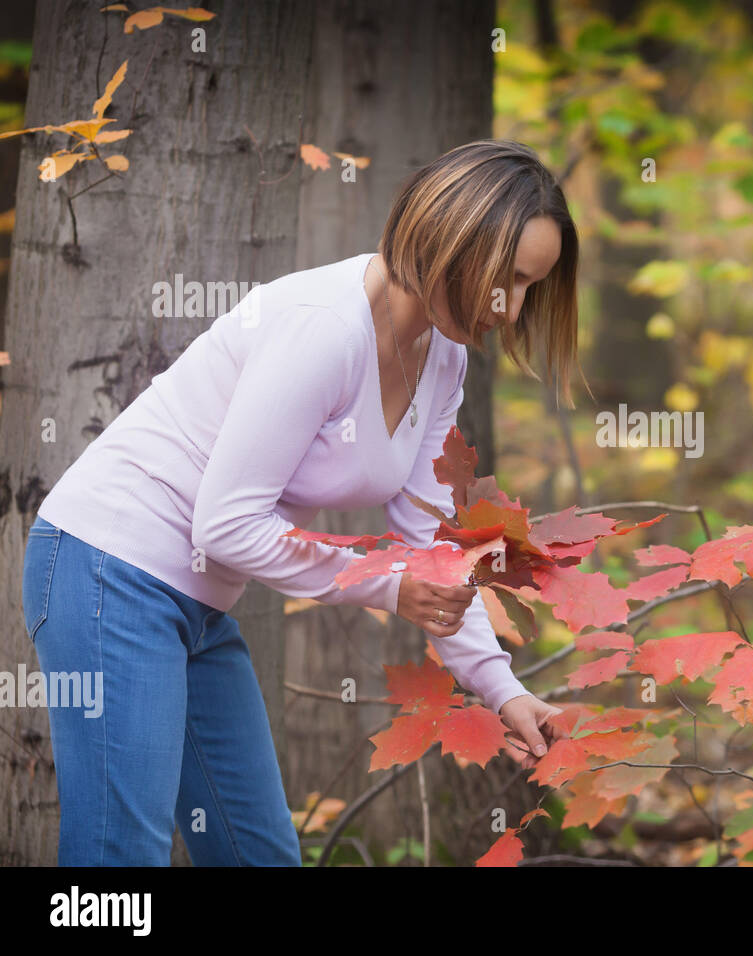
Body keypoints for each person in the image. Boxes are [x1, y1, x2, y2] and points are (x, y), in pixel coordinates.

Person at [20, 139, 581, 866]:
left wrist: (504, 691)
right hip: (107, 572)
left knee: (258, 857)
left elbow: (428, 548)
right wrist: (390, 587)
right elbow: (225, 525)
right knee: (119, 859)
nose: (513, 308)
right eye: (507, 278)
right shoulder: (324, 327)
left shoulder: (442, 361)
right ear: (449, 237)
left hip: (197, 604)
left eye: (531, 286)